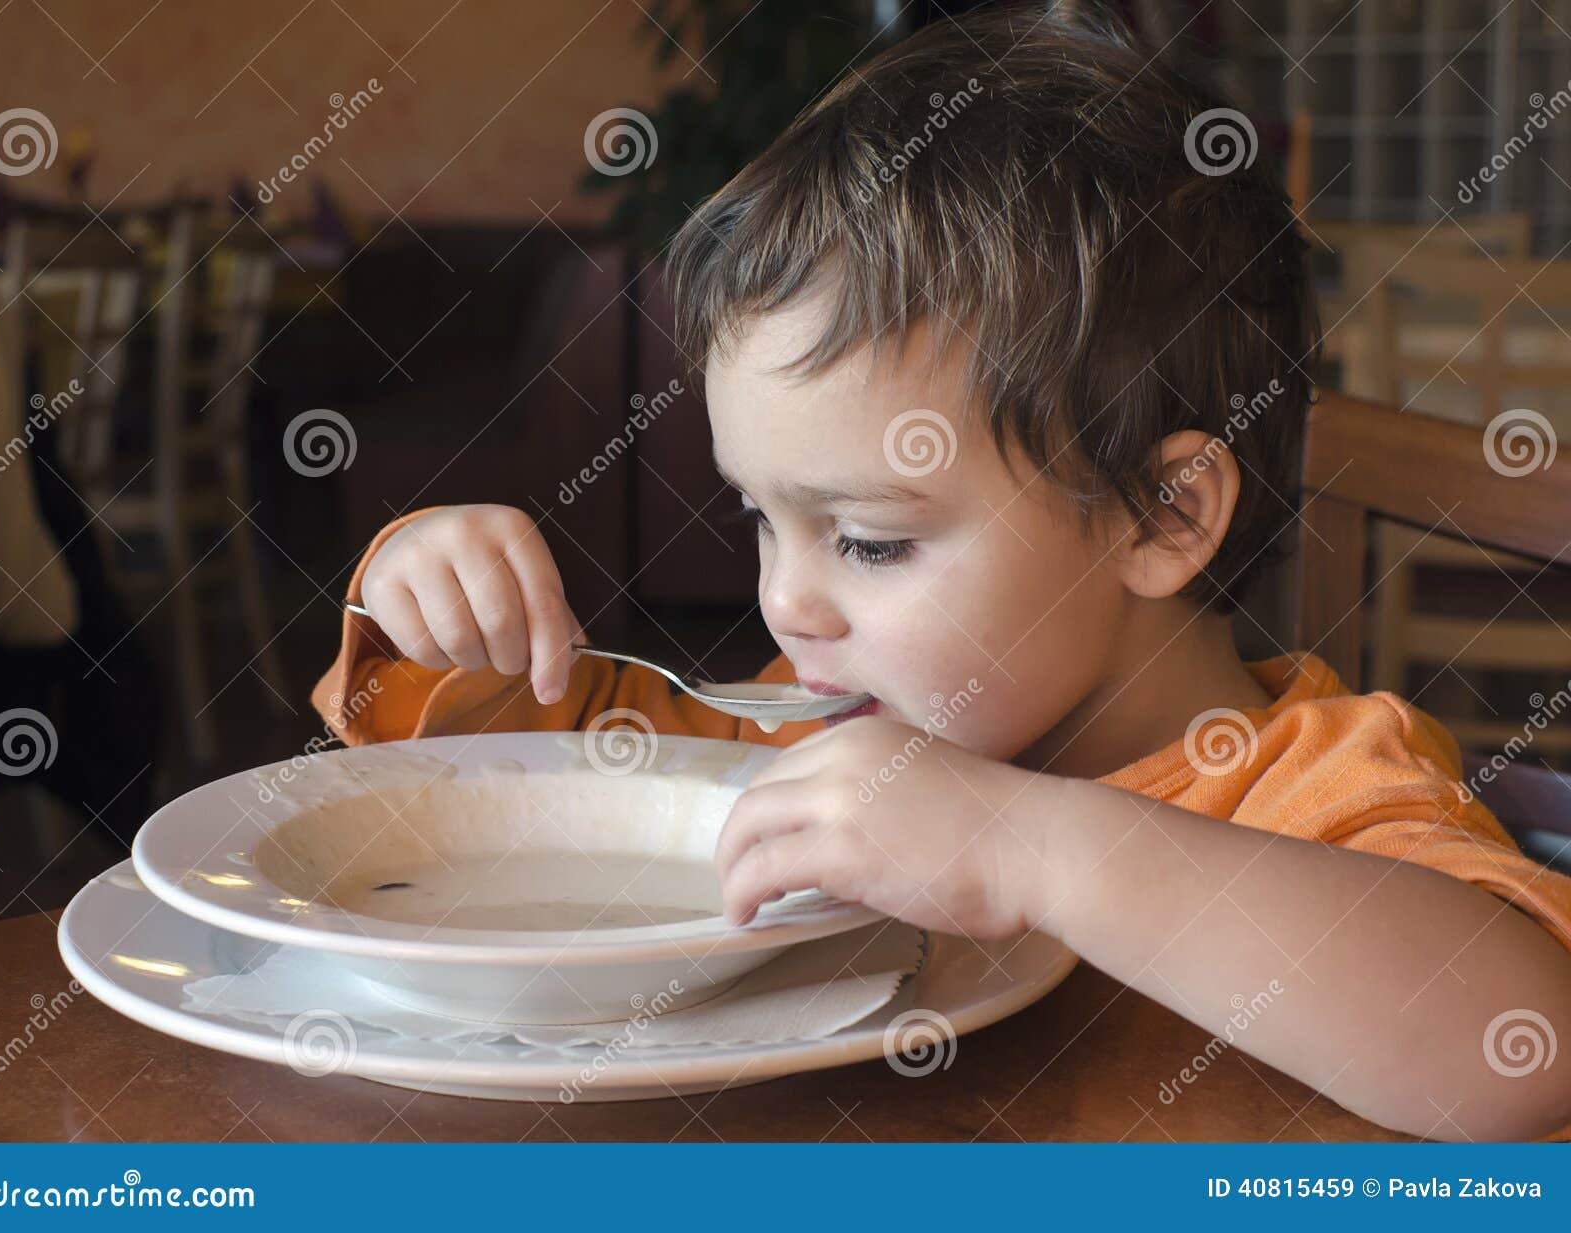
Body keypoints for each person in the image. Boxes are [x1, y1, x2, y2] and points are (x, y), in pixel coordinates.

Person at [314, 4, 1571, 1140]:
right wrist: (446, 627)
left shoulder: (1318, 787)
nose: (784, 602)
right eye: (759, 518)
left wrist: (1036, 847)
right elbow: (527, 780)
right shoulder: (806, 735)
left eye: (868, 540)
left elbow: (1520, 1056)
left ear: (1157, 516)